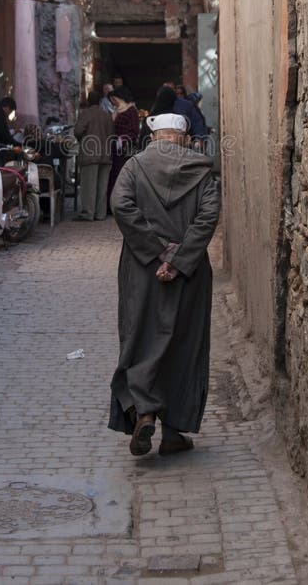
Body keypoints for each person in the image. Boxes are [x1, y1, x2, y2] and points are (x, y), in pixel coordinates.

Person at [108, 112, 220, 456]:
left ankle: (144, 413)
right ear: (184, 138)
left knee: (140, 337)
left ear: (154, 137)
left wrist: (155, 252)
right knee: (184, 343)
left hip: (142, 270)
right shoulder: (202, 171)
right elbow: (208, 216)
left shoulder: (134, 166)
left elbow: (120, 205)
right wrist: (179, 258)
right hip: (189, 272)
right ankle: (173, 433)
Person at [73, 91, 114, 221]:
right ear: (100, 101)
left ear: (89, 101)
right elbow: (112, 135)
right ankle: (100, 214)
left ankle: (88, 213)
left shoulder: (85, 114)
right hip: (106, 155)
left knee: (88, 186)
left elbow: (78, 131)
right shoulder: (107, 115)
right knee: (102, 186)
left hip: (89, 154)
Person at [107, 85, 140, 205]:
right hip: (115, 151)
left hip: (125, 151)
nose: (113, 103)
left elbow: (134, 131)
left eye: (114, 100)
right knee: (113, 176)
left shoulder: (131, 111)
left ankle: (123, 203)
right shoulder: (117, 111)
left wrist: (122, 140)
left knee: (123, 176)